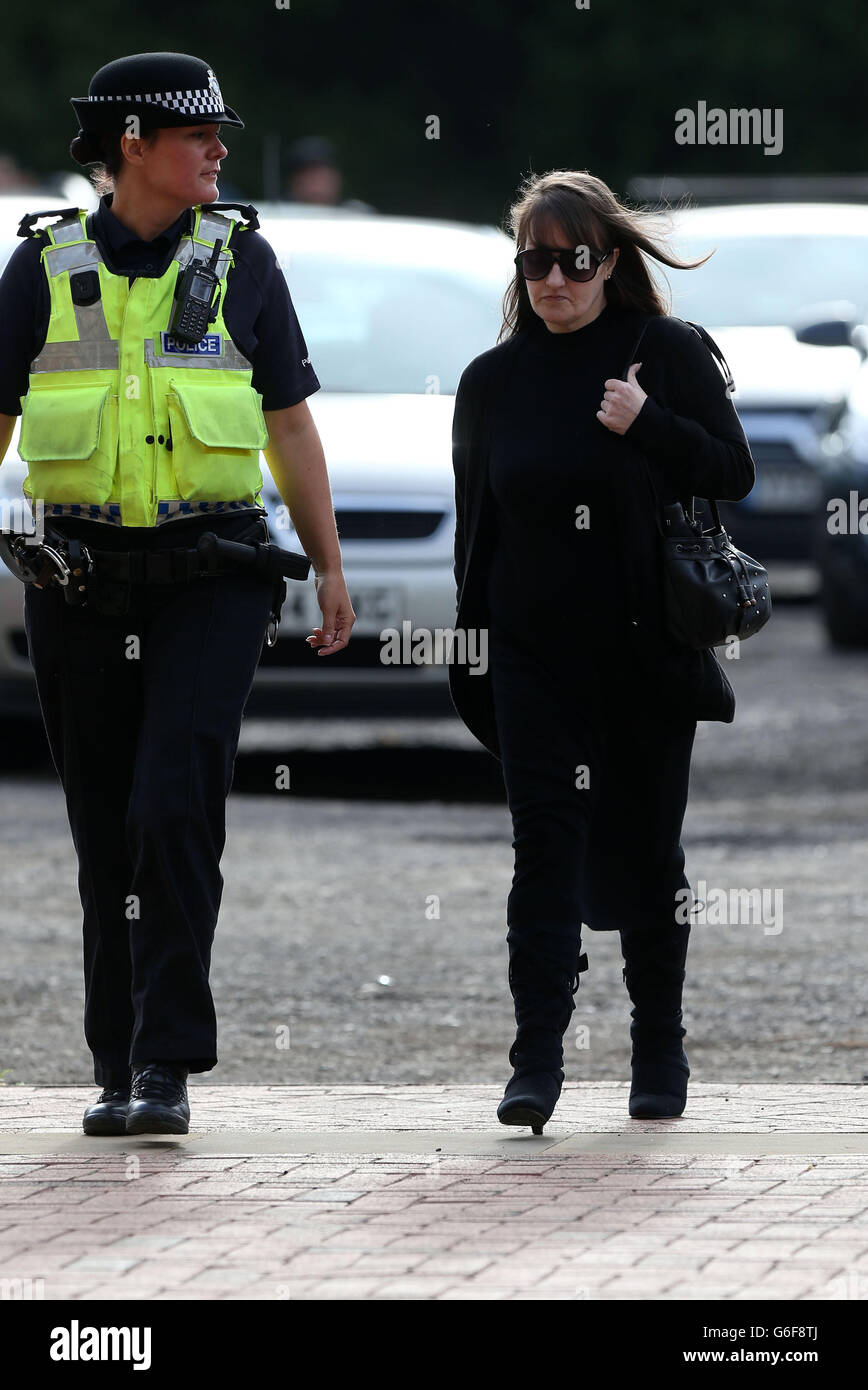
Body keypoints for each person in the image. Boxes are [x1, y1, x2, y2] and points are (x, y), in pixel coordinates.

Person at [0, 52, 355, 1136]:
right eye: (197, 134)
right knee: (104, 826)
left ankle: (166, 1064)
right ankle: (116, 1065)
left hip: (215, 577)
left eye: (220, 135)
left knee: (171, 805)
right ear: (132, 145)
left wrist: (328, 563)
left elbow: (288, 421)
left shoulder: (244, 260)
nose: (217, 150)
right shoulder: (42, 266)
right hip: (78, 581)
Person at [449, 170, 755, 1134]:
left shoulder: (666, 353)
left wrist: (648, 423)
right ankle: (535, 1059)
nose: (554, 280)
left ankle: (659, 1049)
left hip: (646, 655)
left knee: (650, 854)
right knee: (543, 853)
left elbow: (733, 470)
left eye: (574, 261)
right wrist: (472, 660)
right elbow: (475, 539)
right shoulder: (491, 382)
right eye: (534, 263)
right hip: (533, 662)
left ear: (610, 261)